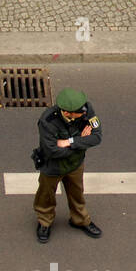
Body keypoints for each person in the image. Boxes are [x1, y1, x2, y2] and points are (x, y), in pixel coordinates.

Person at [34, 88, 102, 243]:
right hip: (52, 166)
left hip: (75, 164)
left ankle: (80, 220)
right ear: (67, 112)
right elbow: (52, 151)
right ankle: (44, 221)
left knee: (77, 193)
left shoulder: (86, 109)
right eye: (80, 111)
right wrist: (80, 143)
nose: (85, 112)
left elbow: (97, 137)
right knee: (46, 195)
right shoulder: (48, 121)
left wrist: (70, 142)